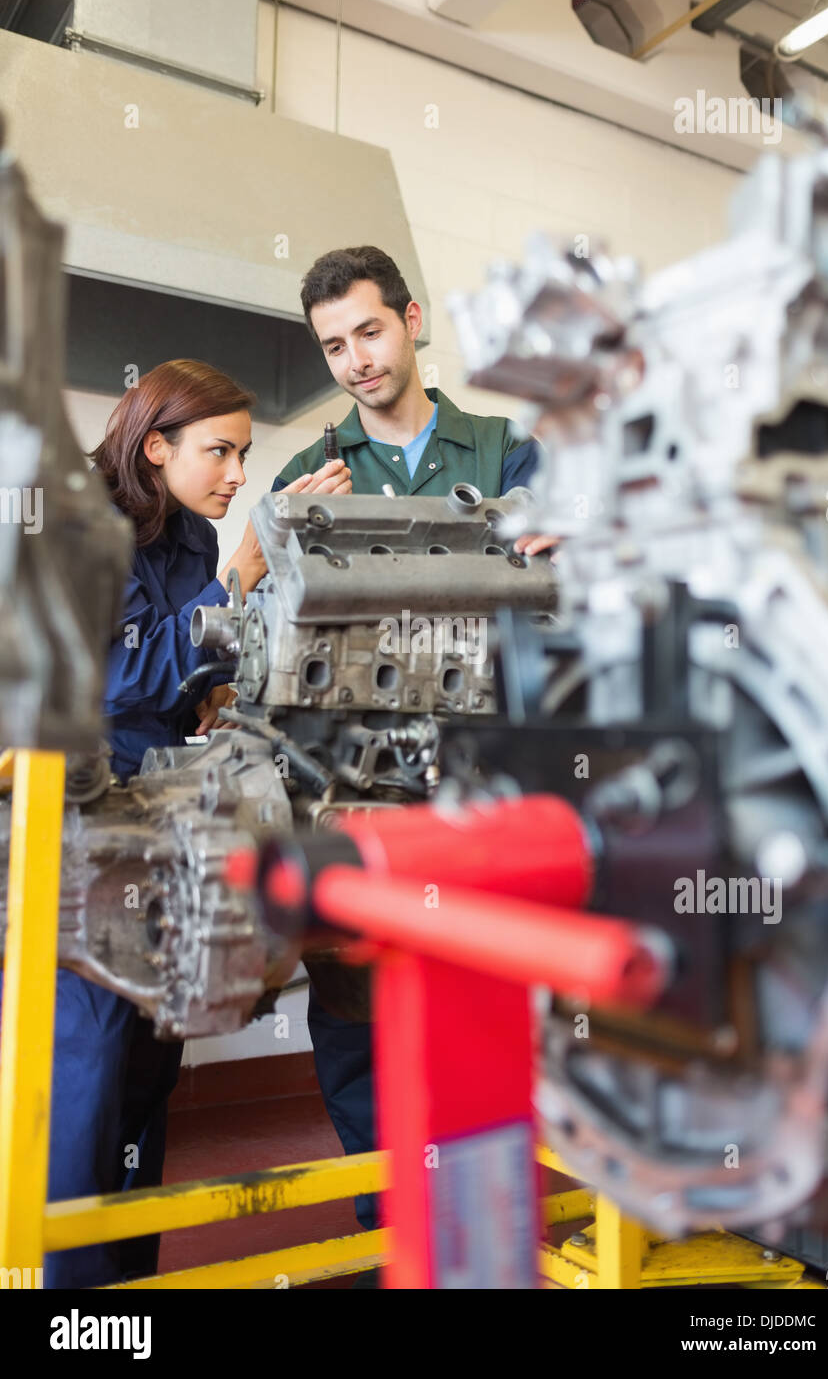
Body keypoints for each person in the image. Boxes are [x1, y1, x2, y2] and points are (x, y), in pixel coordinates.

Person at [22, 359, 348, 1288]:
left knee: (150, 1063)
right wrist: (243, 571)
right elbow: (119, 674)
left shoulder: (190, 543)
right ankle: (70, 1299)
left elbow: (181, 672)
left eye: (244, 453)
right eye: (221, 451)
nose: (237, 473)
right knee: (85, 1064)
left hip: (164, 814)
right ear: (155, 444)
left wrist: (218, 688)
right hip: (76, 826)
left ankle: (128, 1283)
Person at [270, 246, 555, 1238]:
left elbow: (567, 569)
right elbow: (257, 611)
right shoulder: (309, 472)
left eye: (368, 330)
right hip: (351, 779)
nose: (353, 359)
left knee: (483, 995)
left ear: (412, 319)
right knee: (354, 1008)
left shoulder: (501, 449)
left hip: (483, 770)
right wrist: (283, 536)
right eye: (333, 345)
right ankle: (388, 1225)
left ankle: (483, 1229)